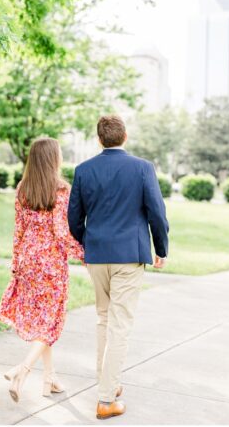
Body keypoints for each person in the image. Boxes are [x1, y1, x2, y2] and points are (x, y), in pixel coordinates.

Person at [68, 114, 169, 420]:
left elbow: (74, 219)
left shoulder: (83, 170)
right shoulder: (141, 168)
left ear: (99, 139)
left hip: (97, 256)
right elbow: (157, 213)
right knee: (120, 325)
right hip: (129, 256)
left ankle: (107, 381)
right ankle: (106, 398)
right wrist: (161, 249)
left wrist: (90, 241)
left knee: (103, 319)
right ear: (125, 137)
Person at [0, 137, 84, 402]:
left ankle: (49, 378)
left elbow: (18, 229)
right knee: (52, 321)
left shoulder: (24, 187)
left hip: (28, 261)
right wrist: (84, 254)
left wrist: (15, 262)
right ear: (53, 159)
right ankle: (22, 370)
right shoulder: (60, 190)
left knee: (42, 319)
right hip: (51, 263)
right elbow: (61, 232)